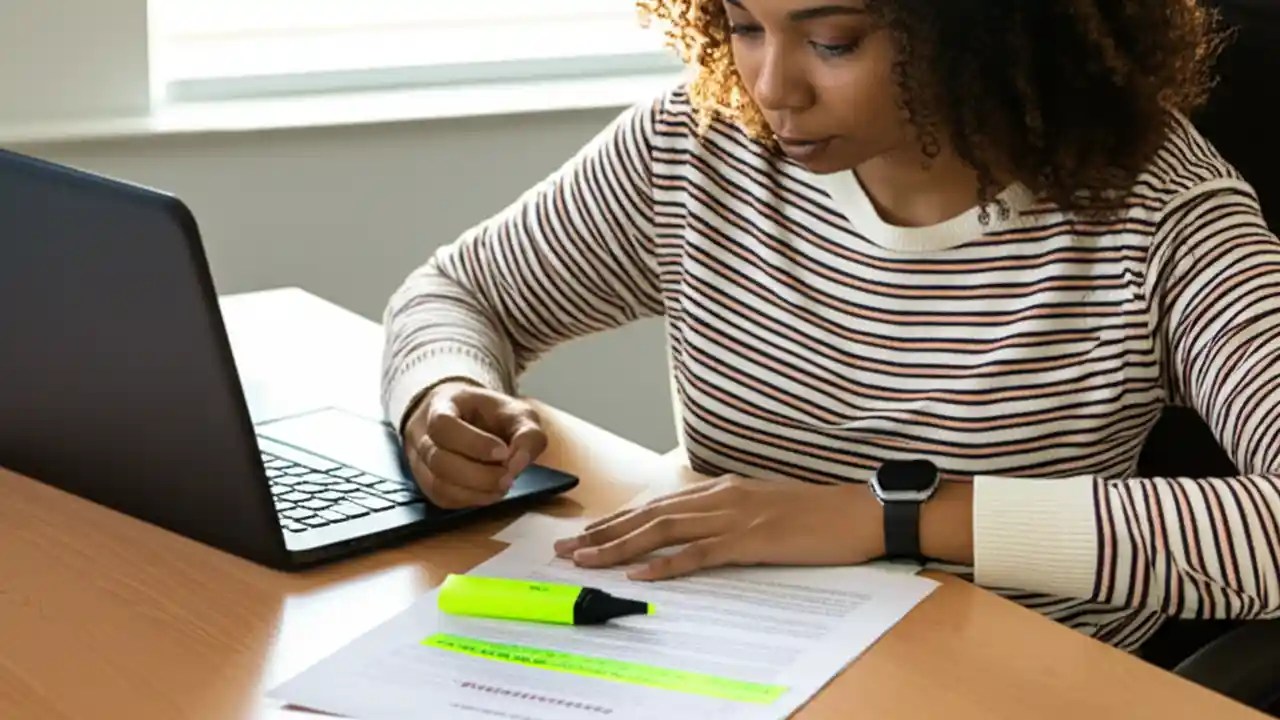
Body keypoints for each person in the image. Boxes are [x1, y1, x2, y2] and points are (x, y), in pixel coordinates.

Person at [380, 0, 1280, 664]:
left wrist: (890, 518)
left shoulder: (1164, 217)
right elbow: (462, 292)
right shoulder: (699, 146)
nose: (772, 88)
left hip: (1011, 680)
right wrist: (442, 391)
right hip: (718, 657)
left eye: (832, 41)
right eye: (742, 24)